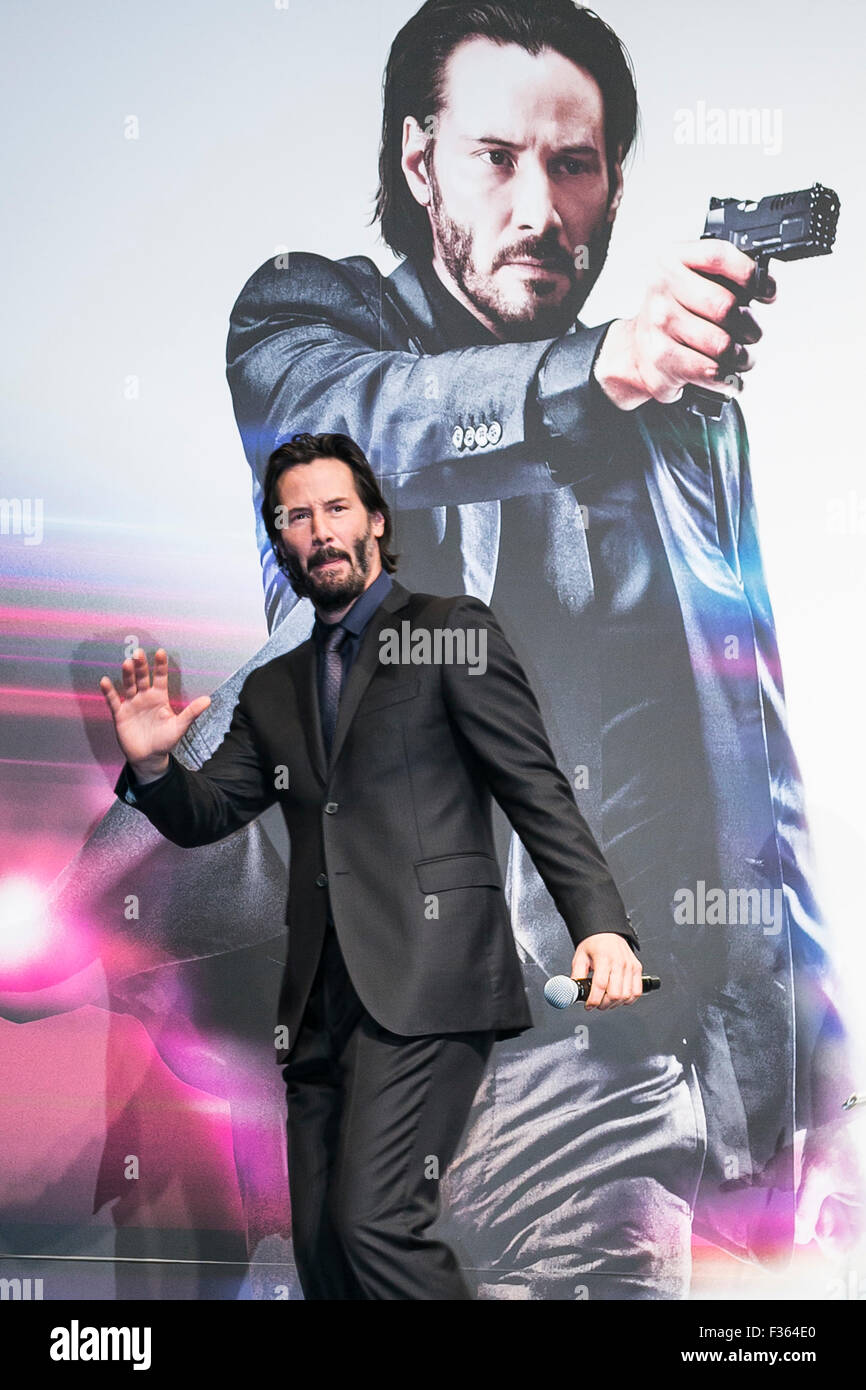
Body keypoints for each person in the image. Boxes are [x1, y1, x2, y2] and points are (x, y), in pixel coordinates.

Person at [222, 0, 860, 1295]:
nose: (538, 205)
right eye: (495, 157)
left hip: (603, 1077)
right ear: (419, 164)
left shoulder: (679, 428)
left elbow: (747, 754)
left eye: (573, 165)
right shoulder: (308, 331)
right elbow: (364, 430)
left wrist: (815, 1072)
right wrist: (592, 371)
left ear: (613, 182)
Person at [99, 430, 643, 1301]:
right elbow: (208, 816)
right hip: (317, 1007)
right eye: (297, 517)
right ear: (281, 542)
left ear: (377, 522)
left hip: (433, 983)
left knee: (373, 1224)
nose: (319, 531)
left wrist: (601, 926)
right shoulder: (273, 690)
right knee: (322, 1251)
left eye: (337, 508)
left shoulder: (452, 633)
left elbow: (534, 787)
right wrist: (157, 767)